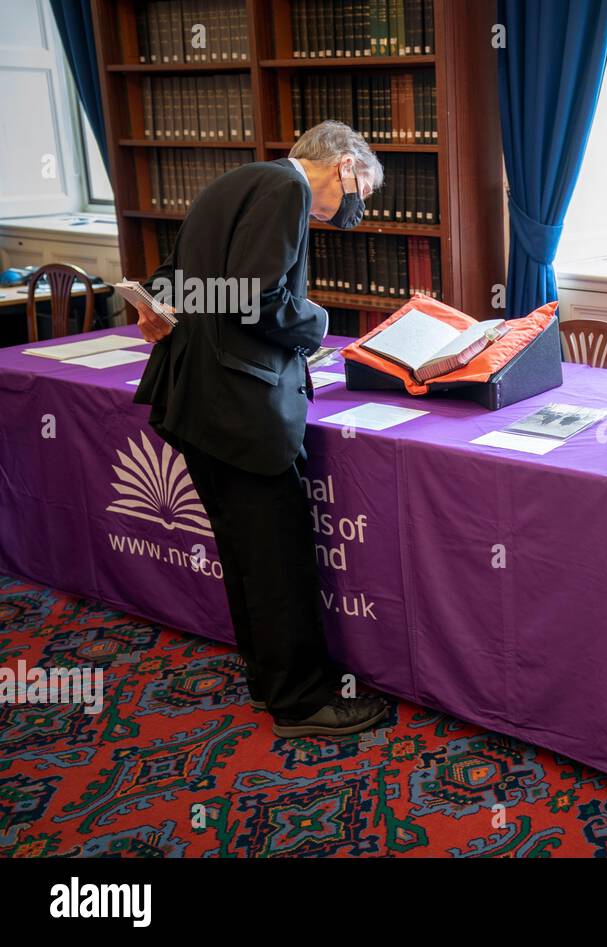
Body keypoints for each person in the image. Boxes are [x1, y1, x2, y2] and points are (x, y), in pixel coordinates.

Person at [128, 122, 389, 738]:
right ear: (345, 166)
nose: (353, 207)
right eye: (362, 191)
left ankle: (271, 679)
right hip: (243, 409)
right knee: (277, 562)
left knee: (246, 558)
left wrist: (153, 306)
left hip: (195, 402)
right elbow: (260, 296)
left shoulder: (235, 180)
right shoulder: (289, 190)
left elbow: (179, 279)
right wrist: (316, 324)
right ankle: (302, 701)